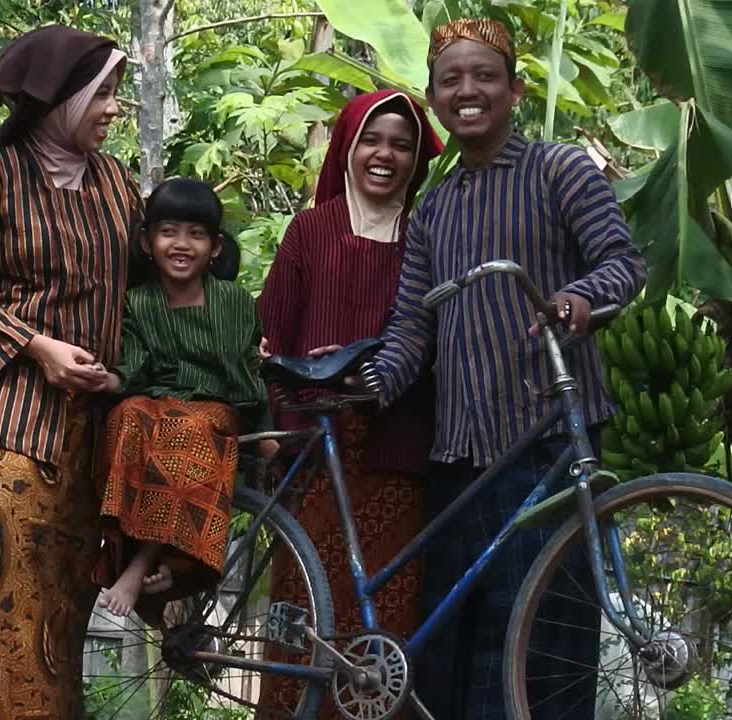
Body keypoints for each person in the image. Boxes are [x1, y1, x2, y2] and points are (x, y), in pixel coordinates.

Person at [364, 18, 647, 720]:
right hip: (459, 459)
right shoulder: (433, 209)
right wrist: (366, 383)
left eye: (485, 76)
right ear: (433, 97)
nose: (468, 90)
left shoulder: (561, 170)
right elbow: (411, 327)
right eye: (451, 79)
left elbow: (624, 263)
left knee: (545, 647)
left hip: (547, 443)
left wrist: (580, 297)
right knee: (452, 657)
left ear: (515, 89)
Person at [0, 25, 139, 720]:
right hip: (10, 418)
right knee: (13, 601)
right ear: (59, 96)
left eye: (117, 92)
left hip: (92, 426)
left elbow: (145, 284)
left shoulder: (117, 184)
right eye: (103, 93)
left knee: (67, 609)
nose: (114, 108)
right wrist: (38, 347)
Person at [255, 90, 442, 718]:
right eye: (372, 139)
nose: (385, 155)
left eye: (402, 144)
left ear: (417, 160)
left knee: (384, 628)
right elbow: (269, 340)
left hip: (397, 451)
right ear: (348, 147)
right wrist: (282, 431)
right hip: (313, 453)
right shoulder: (311, 231)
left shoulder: (427, 239)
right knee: (304, 620)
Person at [92, 178, 278, 619]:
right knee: (127, 415)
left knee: (187, 427)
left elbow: (243, 374)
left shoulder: (233, 300)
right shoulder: (137, 303)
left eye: (196, 234)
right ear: (146, 240)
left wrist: (264, 431)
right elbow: (134, 368)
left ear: (215, 247)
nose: (181, 244)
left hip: (216, 407)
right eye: (168, 231)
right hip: (155, 402)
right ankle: (158, 559)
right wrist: (110, 381)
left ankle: (141, 567)